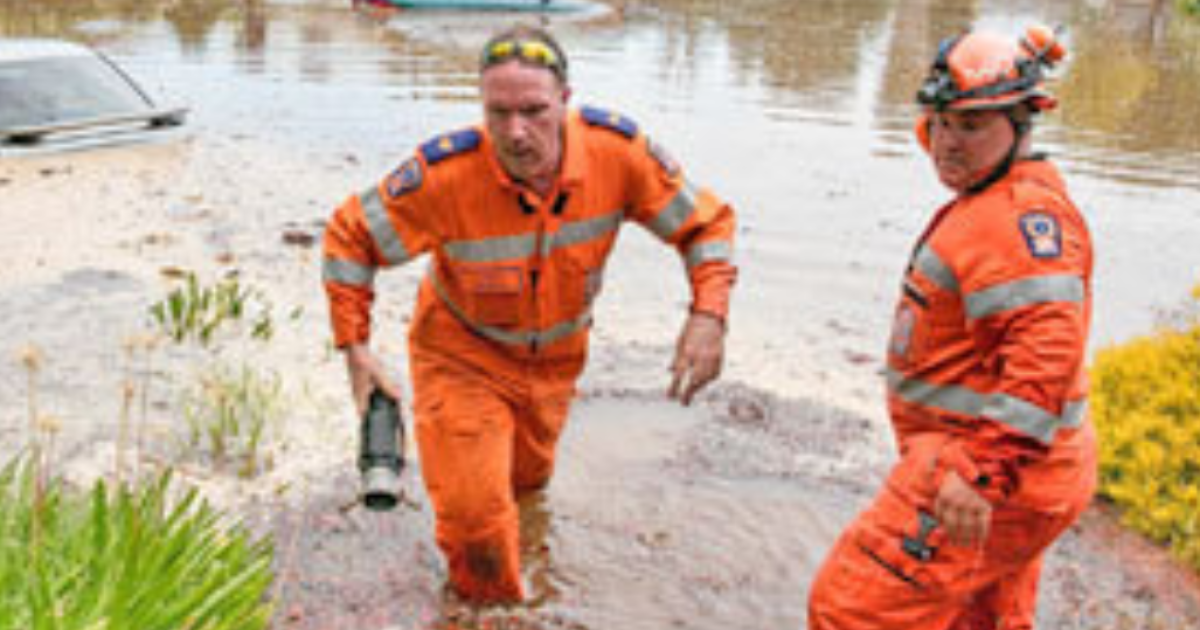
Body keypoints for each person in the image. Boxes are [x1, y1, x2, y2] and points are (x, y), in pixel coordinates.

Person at [321, 25, 737, 603]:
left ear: (566, 101)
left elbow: (706, 225)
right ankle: (487, 610)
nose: (516, 133)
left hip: (554, 367)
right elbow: (348, 239)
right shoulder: (444, 177)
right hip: (460, 356)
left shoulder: (617, 155)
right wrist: (356, 349)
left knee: (526, 492)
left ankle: (524, 581)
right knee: (477, 523)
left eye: (534, 111)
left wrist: (708, 316)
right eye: (499, 113)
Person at [807, 24, 1097, 630]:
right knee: (983, 619)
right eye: (940, 123)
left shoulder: (1019, 220)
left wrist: (980, 475)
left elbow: (1046, 354)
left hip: (982, 470)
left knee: (851, 612)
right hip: (1027, 473)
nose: (947, 143)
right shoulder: (997, 201)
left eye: (970, 126)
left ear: (1023, 122)